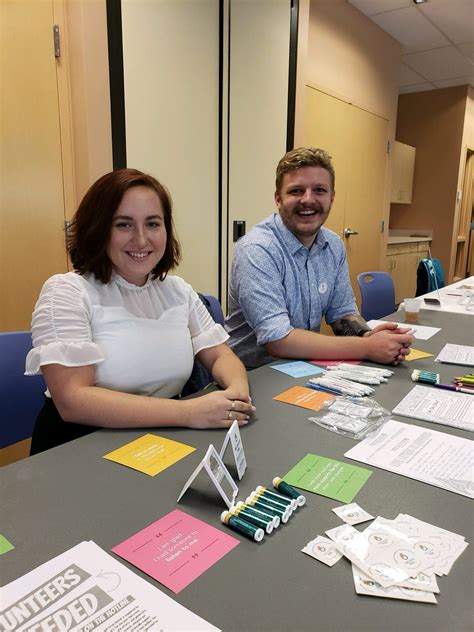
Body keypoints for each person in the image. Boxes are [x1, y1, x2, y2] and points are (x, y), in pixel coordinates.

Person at [26, 169, 253, 454]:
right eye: (123, 224)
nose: (142, 239)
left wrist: (237, 391)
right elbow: (73, 401)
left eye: (153, 224)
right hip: (81, 446)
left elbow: (220, 354)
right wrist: (189, 412)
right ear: (98, 228)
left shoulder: (177, 290)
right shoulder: (66, 291)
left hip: (160, 440)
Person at [225, 147, 414, 369]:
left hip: (303, 366)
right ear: (278, 199)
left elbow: (342, 314)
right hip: (251, 375)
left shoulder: (333, 245)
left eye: (319, 190)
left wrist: (368, 336)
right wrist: (367, 348)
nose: (308, 199)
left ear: (331, 198)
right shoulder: (257, 249)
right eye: (296, 191)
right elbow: (278, 340)